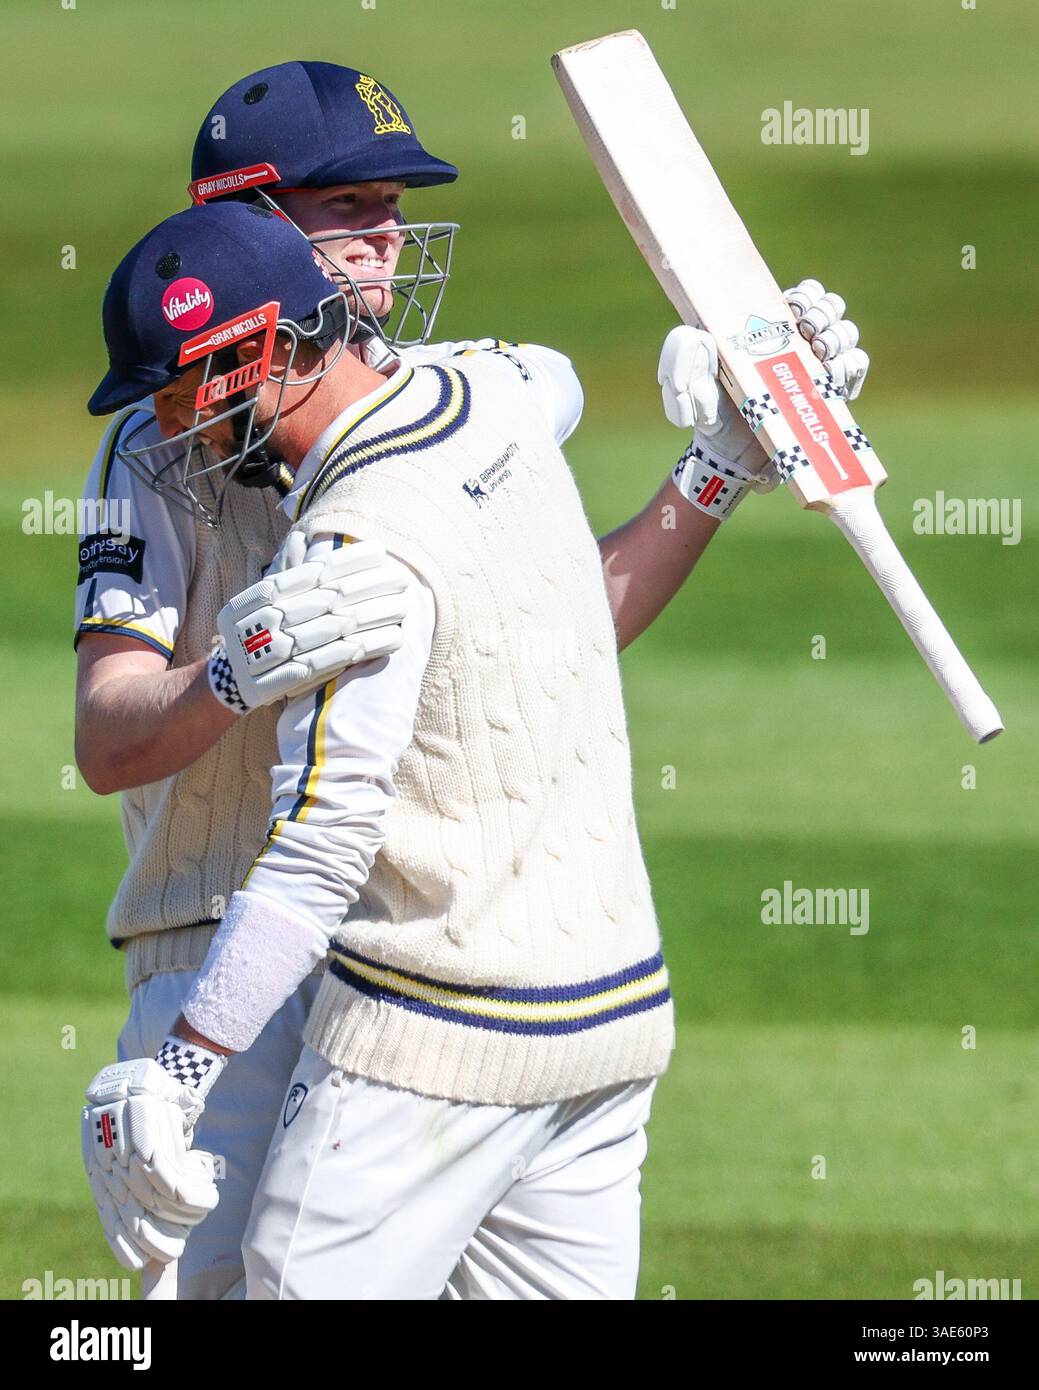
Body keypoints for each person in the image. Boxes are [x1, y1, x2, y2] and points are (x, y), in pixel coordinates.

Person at [82, 191, 869, 1300]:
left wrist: (176, 1070)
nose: (168, 433)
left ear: (253, 350)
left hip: (430, 1043)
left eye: (175, 393)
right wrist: (730, 424)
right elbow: (558, 449)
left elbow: (319, 847)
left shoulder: (348, 539)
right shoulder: (493, 397)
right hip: (611, 1028)